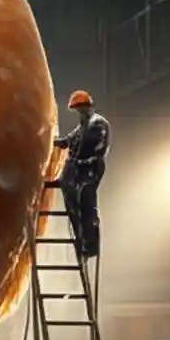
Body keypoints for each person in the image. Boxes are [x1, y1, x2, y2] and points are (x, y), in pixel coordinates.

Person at [53, 90, 110, 258]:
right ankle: (81, 243)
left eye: (80, 109)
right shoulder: (82, 127)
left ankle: (90, 245)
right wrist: (52, 141)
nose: (79, 113)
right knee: (73, 206)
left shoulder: (98, 124)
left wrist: (83, 162)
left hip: (90, 170)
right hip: (78, 171)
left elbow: (99, 149)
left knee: (86, 204)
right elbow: (68, 141)